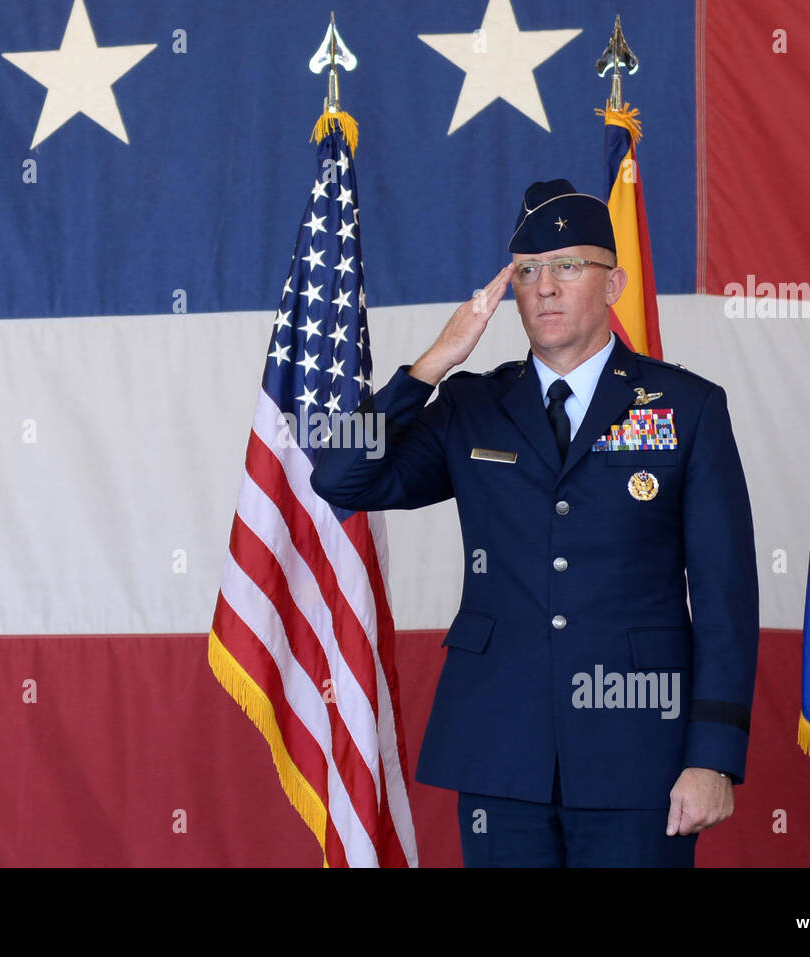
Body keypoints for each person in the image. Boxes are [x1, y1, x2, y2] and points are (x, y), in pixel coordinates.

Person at [310, 179, 759, 867]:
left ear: (615, 284)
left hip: (640, 754)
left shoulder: (685, 407)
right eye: (527, 272)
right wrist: (432, 363)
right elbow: (342, 477)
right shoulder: (472, 406)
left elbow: (728, 599)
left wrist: (714, 757)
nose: (544, 287)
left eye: (567, 266)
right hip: (501, 755)